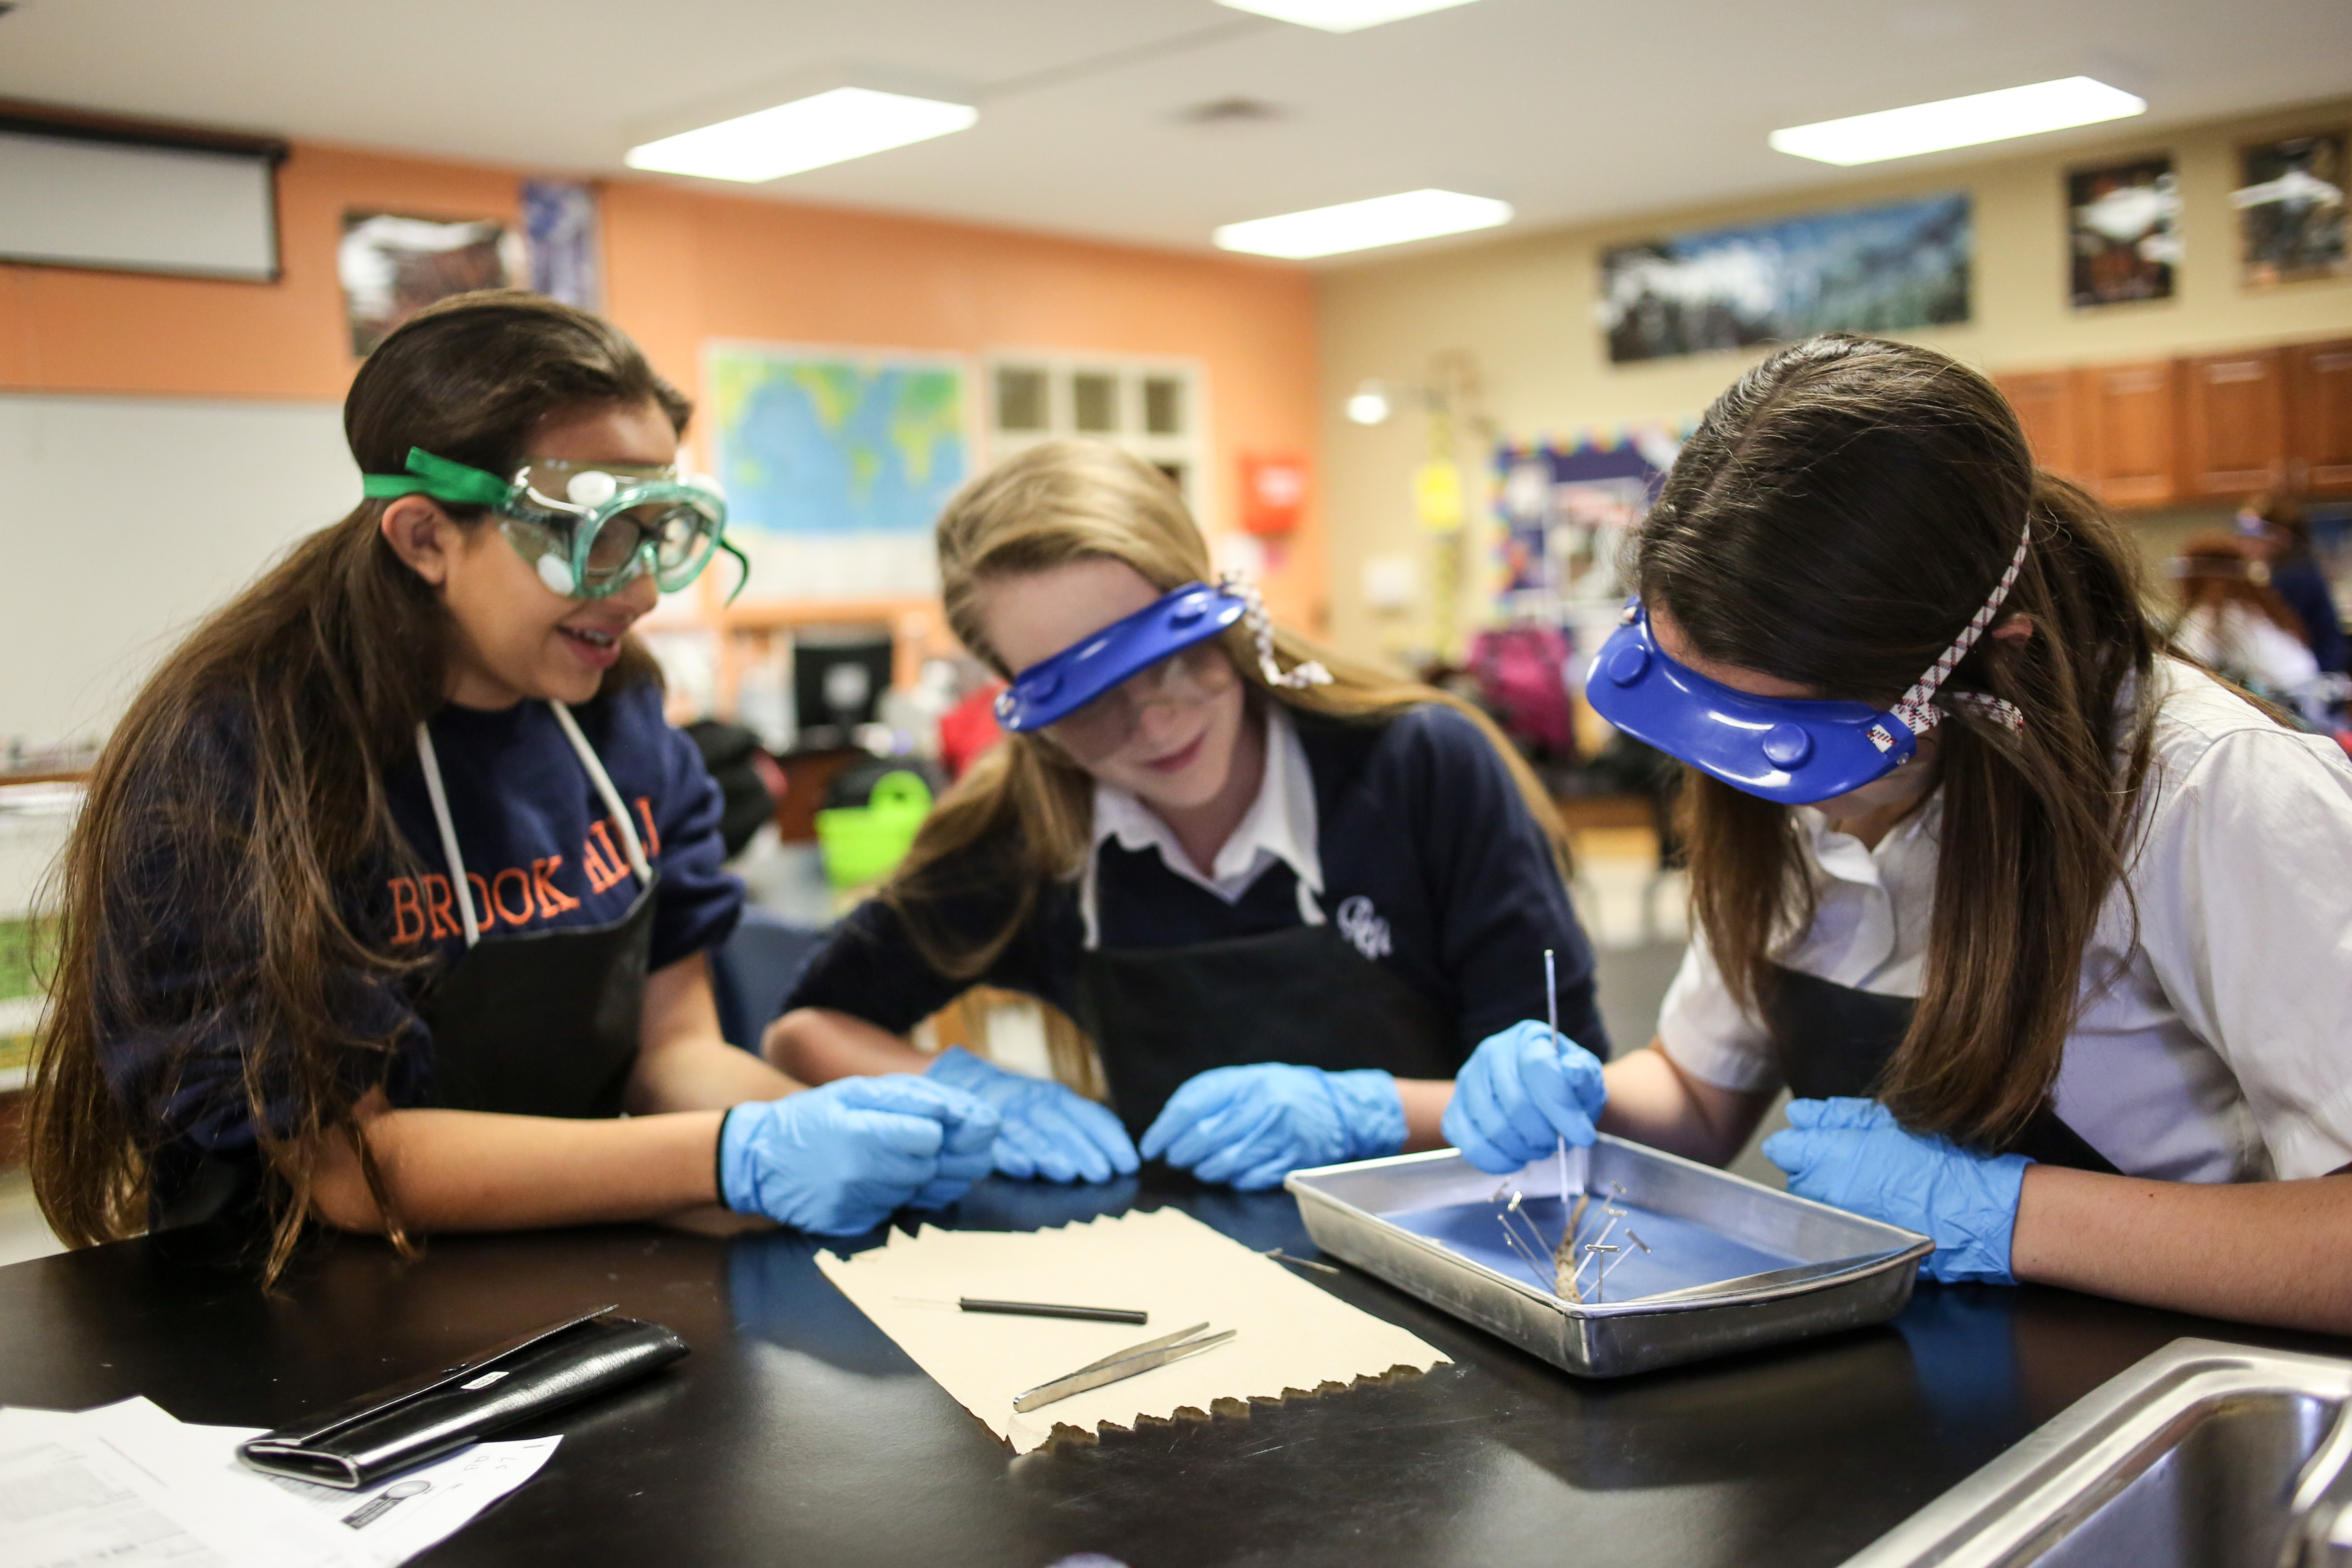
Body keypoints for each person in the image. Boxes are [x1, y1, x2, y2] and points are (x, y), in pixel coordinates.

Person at [28, 292, 997, 1280]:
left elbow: (672, 1049)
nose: (639, 590)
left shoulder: (616, 720)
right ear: (424, 538)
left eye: (653, 527)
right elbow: (351, 1168)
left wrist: (850, 1124)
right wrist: (727, 1154)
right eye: (589, 535)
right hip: (304, 1314)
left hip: (575, 1269)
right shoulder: (243, 758)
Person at [1441, 334, 2352, 1334]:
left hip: (2149, 1412)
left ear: (1991, 663)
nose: (1771, 790)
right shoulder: (1771, 761)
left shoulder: (2212, 790)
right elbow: (1700, 1094)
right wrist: (1580, 1100)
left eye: (1801, 746)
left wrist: (2009, 1217)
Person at [763, 440, 1606, 1191]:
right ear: (1026, 709)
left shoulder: (1420, 769)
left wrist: (1371, 1113)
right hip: (1182, 1287)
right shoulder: (1027, 832)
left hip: (1453, 1253)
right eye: (1088, 700)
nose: (1154, 721)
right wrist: (961, 1087)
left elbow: (1569, 1090)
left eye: (1170, 656)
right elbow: (807, 1029)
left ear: (1226, 614)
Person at [2167, 531, 2326, 725]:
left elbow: (2185, 668)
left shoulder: (2220, 614)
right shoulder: (2251, 607)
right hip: (2307, 704)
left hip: (2291, 710)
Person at [2242, 491, 2348, 675]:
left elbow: (2284, 636)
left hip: (2315, 673)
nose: (2245, 541)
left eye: (2253, 533)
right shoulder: (2286, 569)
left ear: (2280, 537)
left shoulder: (2294, 576)